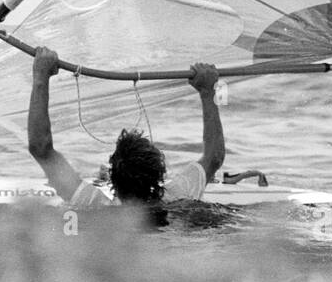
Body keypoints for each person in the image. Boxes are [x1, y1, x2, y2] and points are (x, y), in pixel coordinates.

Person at [26, 45, 240, 207]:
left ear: (112, 179)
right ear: (160, 175)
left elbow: (41, 149)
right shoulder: (179, 196)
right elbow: (214, 157)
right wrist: (209, 92)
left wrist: (40, 76)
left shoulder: (94, 207)